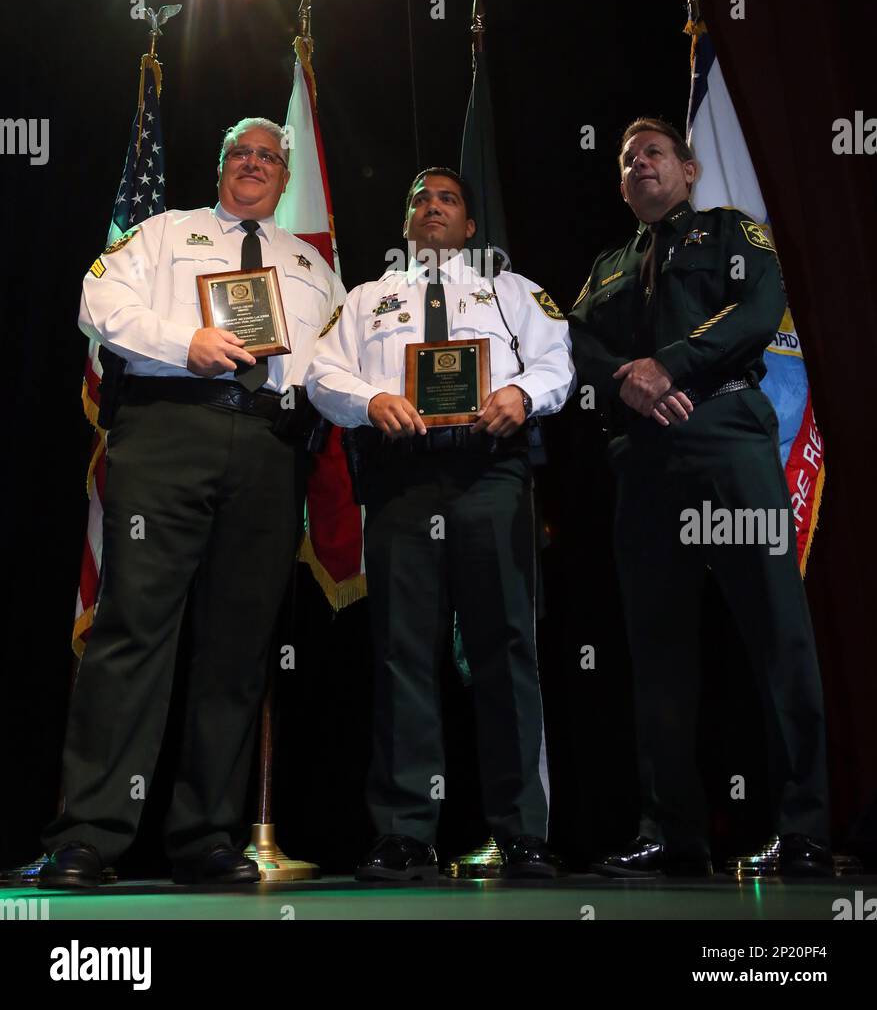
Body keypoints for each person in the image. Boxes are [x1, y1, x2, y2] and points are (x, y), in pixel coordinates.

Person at [40, 118, 345, 888]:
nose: (253, 165)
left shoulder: (312, 264)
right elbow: (96, 303)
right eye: (239, 154)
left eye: (267, 157)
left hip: (271, 451)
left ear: (283, 176)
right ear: (219, 167)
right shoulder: (162, 233)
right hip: (170, 427)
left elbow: (337, 366)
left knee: (238, 650)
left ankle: (205, 838)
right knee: (134, 628)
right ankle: (89, 835)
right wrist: (187, 345)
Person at [568, 118, 831, 878]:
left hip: (727, 444)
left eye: (652, 153)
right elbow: (575, 343)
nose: (638, 165)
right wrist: (626, 378)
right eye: (625, 160)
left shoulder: (732, 232)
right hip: (645, 462)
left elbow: (757, 312)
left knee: (776, 635)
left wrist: (669, 368)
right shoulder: (609, 264)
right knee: (658, 653)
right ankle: (673, 831)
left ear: (686, 169)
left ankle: (805, 829)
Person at [306, 167, 575, 880]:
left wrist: (520, 391)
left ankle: (521, 833)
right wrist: (369, 401)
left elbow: (558, 360)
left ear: (468, 226)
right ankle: (403, 833)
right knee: (402, 652)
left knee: (504, 647)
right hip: (401, 478)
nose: (432, 208)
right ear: (405, 223)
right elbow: (319, 373)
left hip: (489, 472)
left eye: (447, 199)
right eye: (419, 199)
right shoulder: (365, 299)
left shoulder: (510, 290)